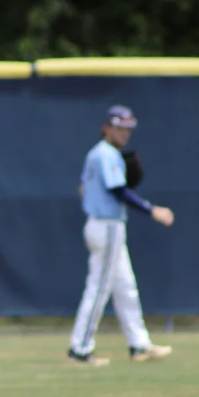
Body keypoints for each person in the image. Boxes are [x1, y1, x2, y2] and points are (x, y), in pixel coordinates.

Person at [68, 105, 174, 366]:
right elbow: (119, 191)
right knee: (99, 288)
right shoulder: (107, 155)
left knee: (126, 287)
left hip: (101, 224)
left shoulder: (95, 154)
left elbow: (84, 188)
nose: (124, 134)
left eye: (128, 129)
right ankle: (80, 348)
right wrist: (153, 210)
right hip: (107, 226)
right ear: (107, 127)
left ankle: (139, 344)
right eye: (119, 128)